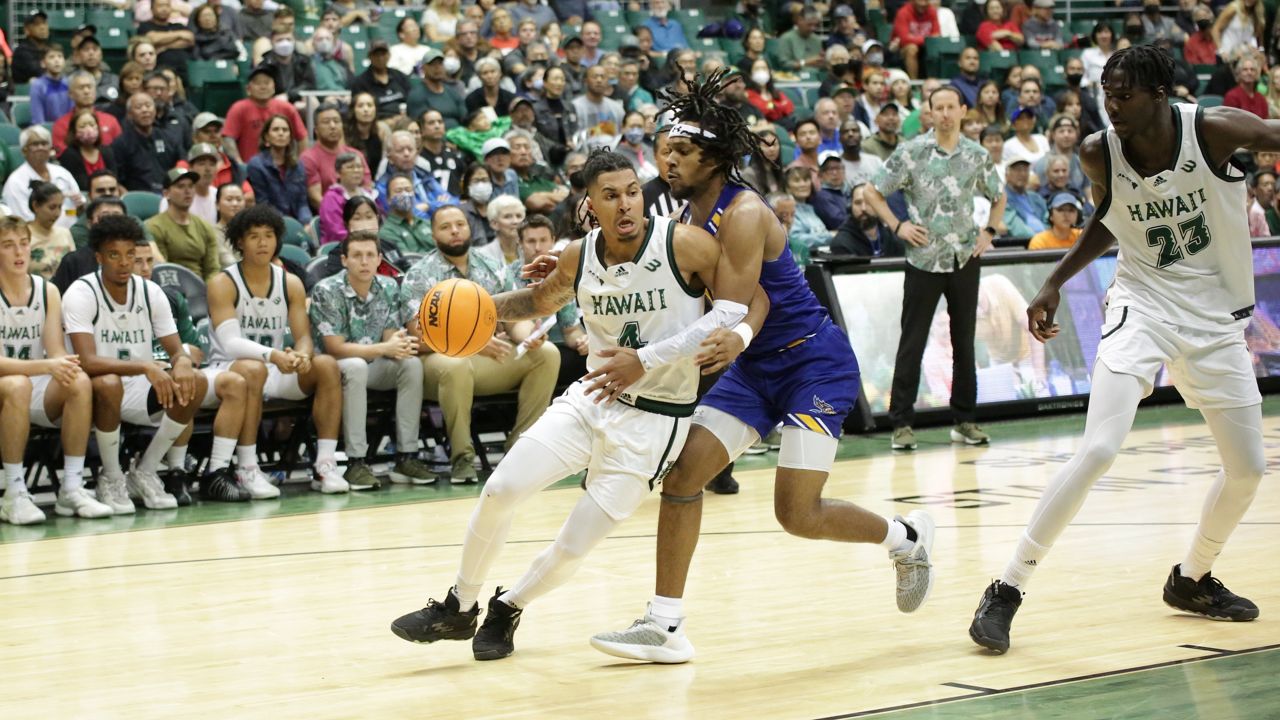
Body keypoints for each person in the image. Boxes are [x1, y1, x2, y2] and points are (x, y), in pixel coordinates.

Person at [586, 71, 937, 663]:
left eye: (682, 152)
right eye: (666, 149)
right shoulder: (687, 212)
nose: (667, 160)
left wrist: (680, 350)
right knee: (682, 481)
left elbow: (731, 306)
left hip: (812, 365)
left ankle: (906, 538)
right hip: (753, 371)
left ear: (716, 157)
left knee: (797, 514)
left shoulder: (743, 212)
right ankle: (664, 624)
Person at [969, 46, 1273, 654]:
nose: (1111, 104)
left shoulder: (1211, 129)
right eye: (1106, 91)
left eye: (1124, 93)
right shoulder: (1096, 150)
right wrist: (1053, 281)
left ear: (1161, 94)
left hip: (1214, 316)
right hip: (1143, 305)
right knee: (1099, 447)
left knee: (1248, 470)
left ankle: (1191, 579)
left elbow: (1272, 133)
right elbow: (1114, 216)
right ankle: (1006, 588)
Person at [388, 150, 744, 659]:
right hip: (591, 400)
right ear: (589, 204)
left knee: (573, 546)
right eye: (610, 195)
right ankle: (458, 607)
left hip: (656, 418)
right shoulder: (579, 255)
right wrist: (475, 311)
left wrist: (668, 354)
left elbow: (737, 304)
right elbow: (538, 302)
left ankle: (509, 606)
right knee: (500, 490)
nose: (625, 204)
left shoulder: (684, 245)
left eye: (631, 192)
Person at [863, 86, 1005, 451]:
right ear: (929, 113)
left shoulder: (976, 154)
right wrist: (898, 226)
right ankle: (902, 424)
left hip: (964, 257)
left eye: (950, 107)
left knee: (964, 341)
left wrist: (989, 231)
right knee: (913, 341)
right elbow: (872, 192)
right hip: (923, 258)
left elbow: (998, 194)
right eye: (937, 108)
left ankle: (964, 421)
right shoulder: (912, 152)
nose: (944, 114)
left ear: (962, 111)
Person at [400, 205, 560, 482]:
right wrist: (476, 342)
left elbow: (513, 320)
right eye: (445, 226)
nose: (454, 231)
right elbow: (418, 336)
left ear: (469, 227)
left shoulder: (493, 266)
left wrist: (528, 336)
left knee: (547, 353)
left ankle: (520, 450)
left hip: (488, 358)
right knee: (456, 364)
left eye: (460, 224)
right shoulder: (419, 274)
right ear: (433, 233)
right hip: (438, 360)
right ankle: (462, 457)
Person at [63, 215, 206, 512]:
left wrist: (180, 362)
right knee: (109, 382)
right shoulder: (81, 292)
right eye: (115, 255)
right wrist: (146, 367)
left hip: (139, 387)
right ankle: (112, 477)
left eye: (130, 254)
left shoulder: (150, 291)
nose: (125, 262)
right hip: (91, 391)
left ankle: (146, 470)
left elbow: (176, 349)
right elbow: (87, 362)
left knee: (196, 381)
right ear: (99, 257)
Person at [206, 204, 349, 494]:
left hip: (275, 366)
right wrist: (274, 355)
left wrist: (303, 355)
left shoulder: (290, 282)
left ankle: (325, 464)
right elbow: (232, 345)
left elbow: (303, 337)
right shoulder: (222, 283)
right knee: (253, 368)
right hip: (230, 368)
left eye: (269, 235)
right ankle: (247, 468)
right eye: (254, 236)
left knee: (326, 365)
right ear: (239, 242)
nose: (262, 243)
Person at [0, 217, 112, 525]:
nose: (18, 252)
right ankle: (13, 492)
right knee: (16, 384)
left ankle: (71, 488)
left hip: (31, 385)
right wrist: (46, 365)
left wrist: (62, 365)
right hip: (8, 386)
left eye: (23, 244)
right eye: (8, 246)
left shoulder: (47, 291)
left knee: (77, 379)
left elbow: (56, 352)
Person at [309, 231, 437, 490]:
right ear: (345, 260)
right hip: (333, 368)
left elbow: (390, 337)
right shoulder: (326, 290)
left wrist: (397, 346)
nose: (364, 261)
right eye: (357, 255)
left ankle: (406, 456)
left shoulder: (389, 287)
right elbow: (335, 348)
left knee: (411, 364)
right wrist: (386, 348)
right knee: (356, 366)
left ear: (380, 259)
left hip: (374, 362)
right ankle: (356, 461)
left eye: (370, 255)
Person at [222, 66, 309, 167]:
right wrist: (240, 165)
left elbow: (302, 137)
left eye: (267, 83)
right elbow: (228, 139)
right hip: (249, 169)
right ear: (248, 89)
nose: (263, 87)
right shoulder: (238, 108)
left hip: (283, 170)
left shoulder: (287, 108)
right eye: (258, 83)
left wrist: (299, 164)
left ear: (274, 87)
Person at [146, 168, 222, 279]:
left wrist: (209, 292)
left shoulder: (204, 226)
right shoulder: (155, 227)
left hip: (202, 289)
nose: (187, 191)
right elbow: (162, 270)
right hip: (171, 288)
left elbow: (213, 269)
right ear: (166, 193)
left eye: (191, 186)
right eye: (180, 186)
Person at [247, 115, 313, 224]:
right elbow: (263, 204)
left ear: (290, 137)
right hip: (271, 222)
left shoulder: (298, 165)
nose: (281, 133)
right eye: (276, 129)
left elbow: (302, 202)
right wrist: (289, 224)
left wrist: (306, 223)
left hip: (298, 222)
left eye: (285, 130)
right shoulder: (256, 165)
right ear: (266, 137)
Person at [832, 182, 904, 257]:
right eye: (858, 203)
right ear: (850, 207)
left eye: (869, 202)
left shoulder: (893, 239)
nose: (863, 208)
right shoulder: (842, 244)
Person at [319, 152, 376, 246]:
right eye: (350, 167)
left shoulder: (370, 195)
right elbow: (336, 232)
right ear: (338, 173)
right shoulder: (331, 198)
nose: (356, 170)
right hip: (343, 246)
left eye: (359, 166)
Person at [26, 183, 75, 280]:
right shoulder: (23, 235)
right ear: (36, 206)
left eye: (60, 207)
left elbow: (74, 266)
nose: (57, 213)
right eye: (52, 207)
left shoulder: (65, 233)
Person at [380, 173, 434, 253]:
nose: (405, 194)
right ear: (388, 199)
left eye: (408, 190)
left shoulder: (427, 223)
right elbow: (406, 262)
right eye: (398, 191)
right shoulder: (386, 231)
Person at [892, 0, 940, 78]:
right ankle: (914, 83)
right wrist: (926, 40)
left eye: (925, 4)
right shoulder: (903, 12)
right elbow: (904, 39)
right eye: (920, 4)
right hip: (901, 48)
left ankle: (934, 80)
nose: (923, 6)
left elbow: (936, 35)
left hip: (925, 47)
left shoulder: (932, 11)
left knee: (936, 48)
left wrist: (916, 39)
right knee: (912, 48)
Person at [30, 46, 73, 126]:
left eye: (60, 56)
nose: (57, 60)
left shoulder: (69, 83)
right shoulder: (37, 86)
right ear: (43, 63)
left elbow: (73, 114)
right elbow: (38, 120)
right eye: (51, 57)